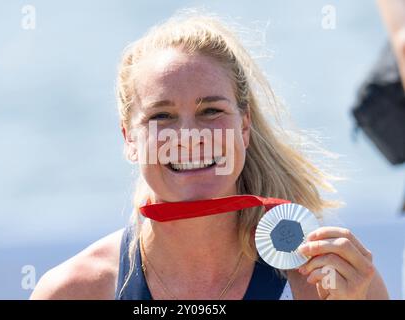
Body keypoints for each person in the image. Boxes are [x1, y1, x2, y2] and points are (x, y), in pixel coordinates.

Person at [30, 13, 389, 300]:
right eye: (162, 116)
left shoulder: (328, 283)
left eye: (211, 111)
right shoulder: (73, 291)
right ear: (130, 139)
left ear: (244, 127)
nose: (189, 137)